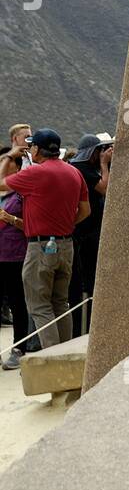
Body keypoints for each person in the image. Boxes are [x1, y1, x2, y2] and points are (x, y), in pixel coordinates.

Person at [0, 128, 90, 349]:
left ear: (38, 149)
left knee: (40, 307)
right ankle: (66, 353)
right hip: (66, 244)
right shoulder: (73, 172)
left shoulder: (36, 173)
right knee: (60, 303)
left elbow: (1, 182)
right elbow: (85, 210)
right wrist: (66, 225)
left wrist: (11, 155)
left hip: (40, 246)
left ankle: (51, 356)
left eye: (31, 146)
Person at [68, 135, 113, 337]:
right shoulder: (84, 169)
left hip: (89, 232)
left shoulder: (83, 168)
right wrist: (105, 165)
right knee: (86, 281)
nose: (102, 154)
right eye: (100, 150)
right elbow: (106, 188)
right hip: (85, 233)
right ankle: (83, 330)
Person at [0, 152, 28, 369]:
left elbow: (31, 224)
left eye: (6, 163)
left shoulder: (23, 193)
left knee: (18, 303)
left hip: (15, 256)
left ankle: (19, 348)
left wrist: (10, 219)